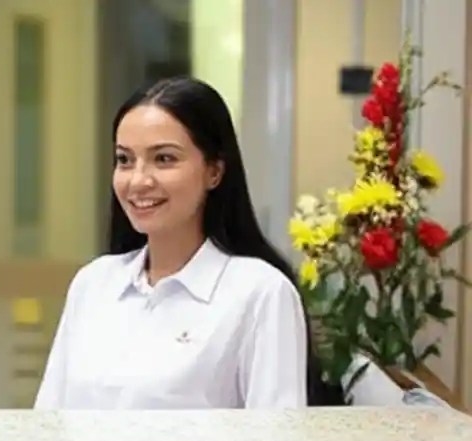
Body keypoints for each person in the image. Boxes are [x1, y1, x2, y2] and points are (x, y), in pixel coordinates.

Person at [34, 76, 334, 410]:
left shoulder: (259, 292)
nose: (138, 180)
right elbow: (49, 425)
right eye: (124, 159)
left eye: (164, 159)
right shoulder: (93, 284)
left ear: (214, 171)